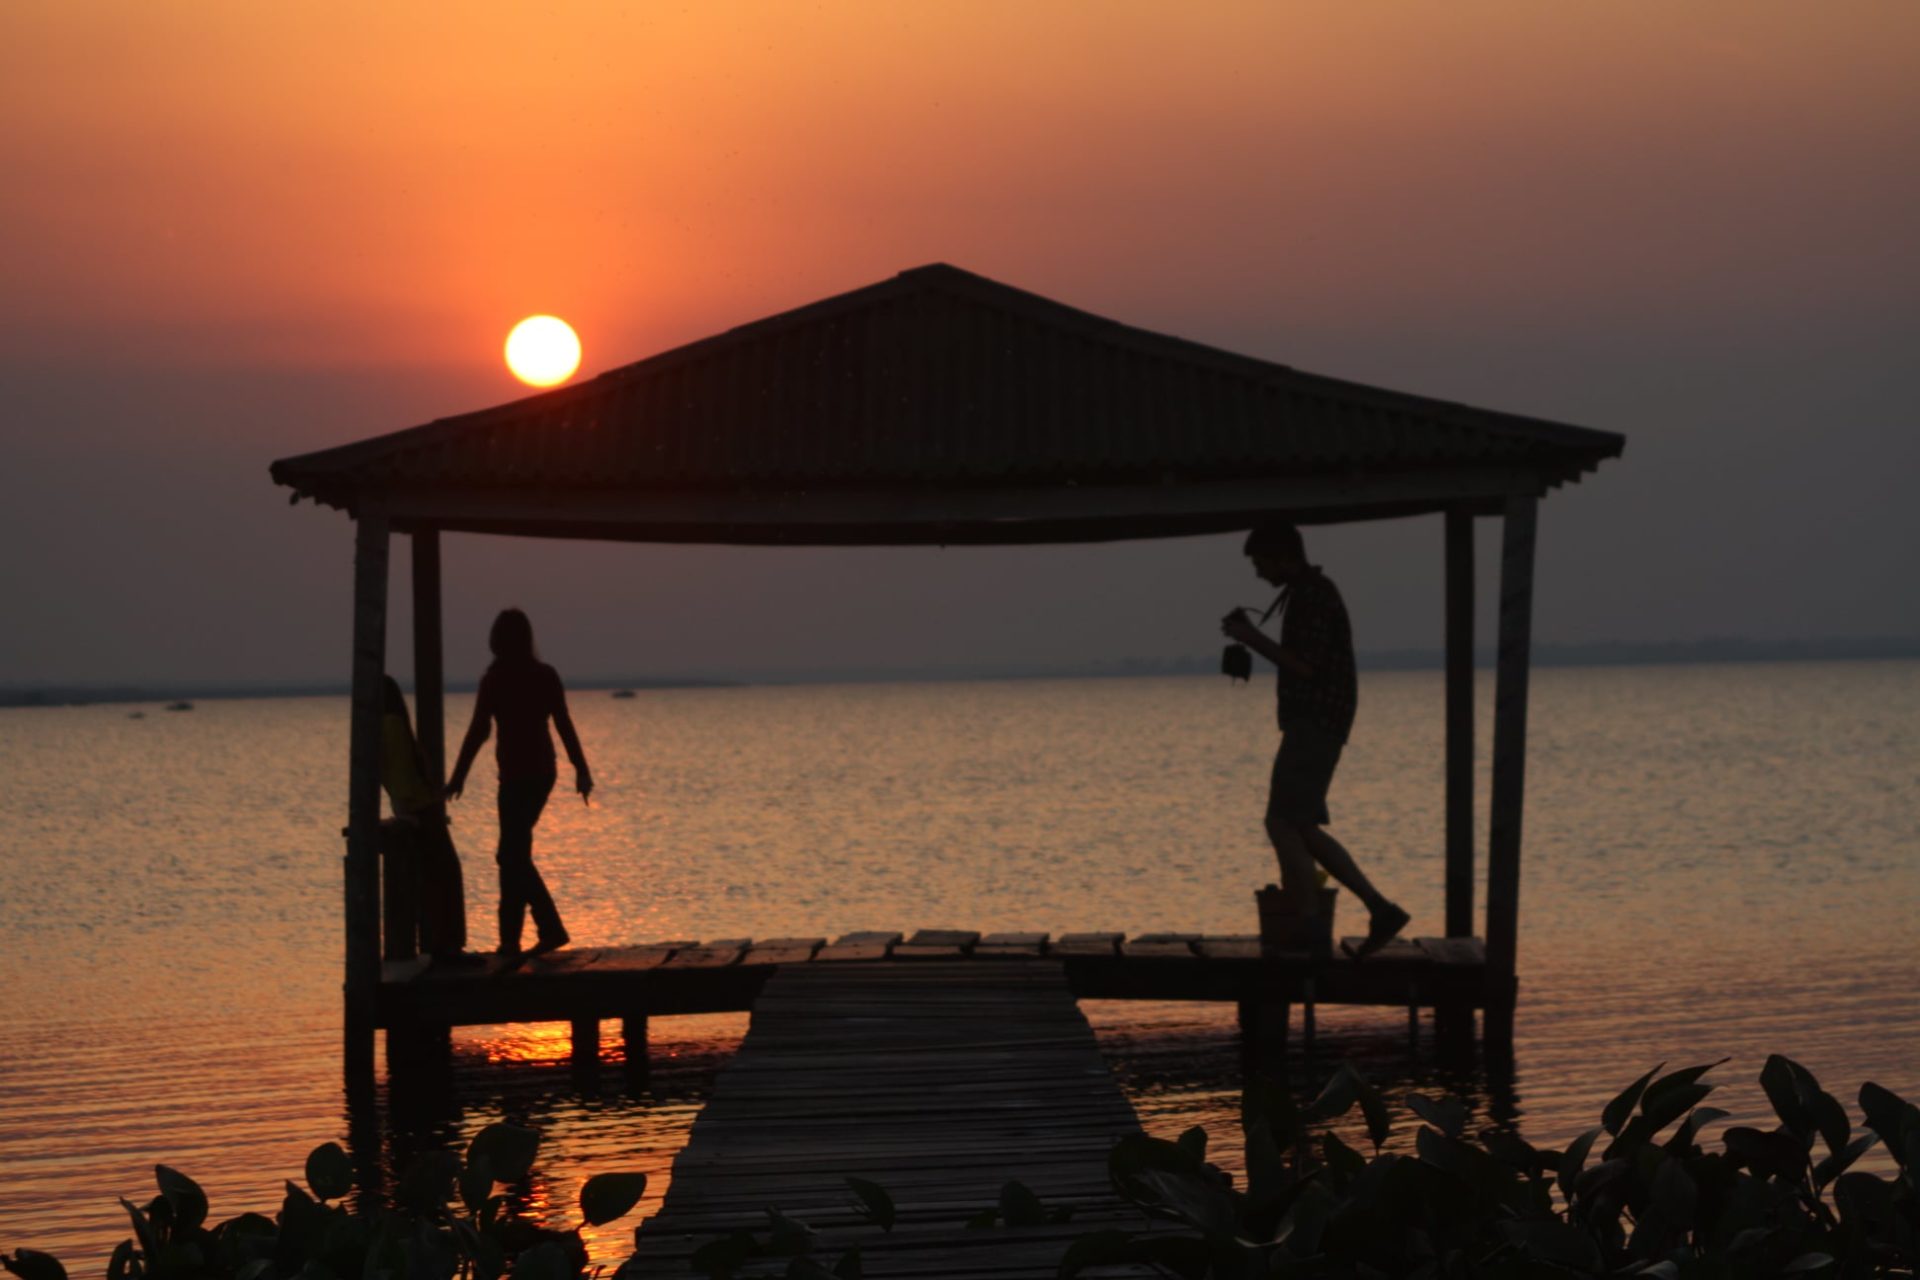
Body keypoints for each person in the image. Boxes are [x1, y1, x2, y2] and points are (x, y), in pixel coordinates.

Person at [1221, 520, 1409, 958]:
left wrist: (1251, 638)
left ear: (1284, 557)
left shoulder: (1311, 595)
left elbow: (1305, 666)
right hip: (1320, 722)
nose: (1259, 573)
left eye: (1261, 562)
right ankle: (1380, 909)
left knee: (1280, 822)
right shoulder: (1307, 593)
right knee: (1301, 825)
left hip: (1315, 721)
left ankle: (1308, 922)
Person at [445, 608, 594, 957]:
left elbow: (483, 730)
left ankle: (546, 929)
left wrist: (458, 777)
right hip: (531, 775)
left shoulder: (502, 679)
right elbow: (561, 725)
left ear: (496, 641)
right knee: (514, 854)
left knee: (509, 854)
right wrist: (580, 769)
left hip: (525, 777)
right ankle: (511, 939)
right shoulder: (530, 676)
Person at [378, 676, 477, 964]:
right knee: (444, 874)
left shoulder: (380, 728)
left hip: (414, 806)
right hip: (420, 807)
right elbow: (401, 770)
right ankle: (446, 945)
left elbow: (391, 773)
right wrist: (412, 807)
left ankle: (442, 944)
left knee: (437, 875)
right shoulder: (394, 726)